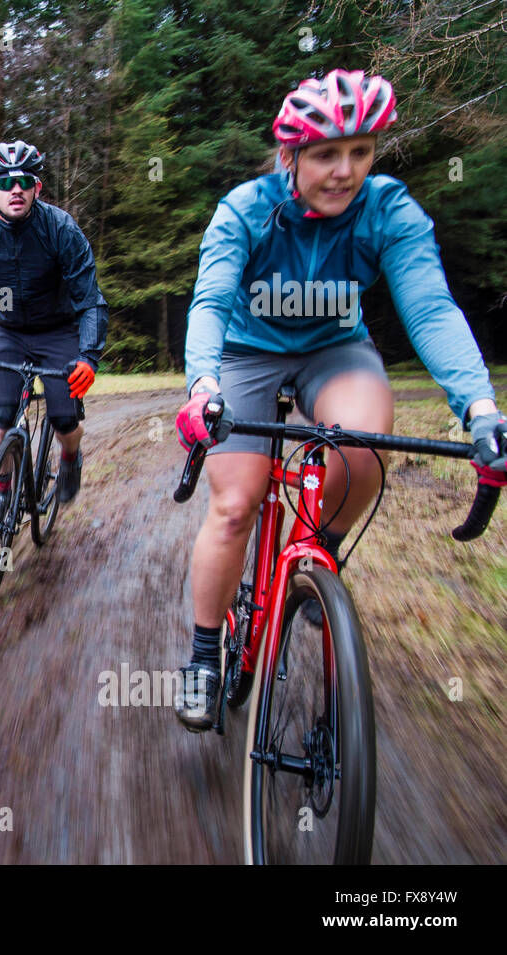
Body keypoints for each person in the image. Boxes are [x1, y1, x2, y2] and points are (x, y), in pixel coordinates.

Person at [173, 69, 506, 731]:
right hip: (246, 353)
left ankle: (317, 553)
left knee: (360, 451)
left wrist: (480, 408)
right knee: (235, 506)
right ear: (290, 156)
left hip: (335, 349)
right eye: (327, 154)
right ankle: (204, 655)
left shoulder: (388, 209)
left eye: (361, 151)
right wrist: (203, 385)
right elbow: (210, 301)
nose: (346, 171)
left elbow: (430, 308)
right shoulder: (245, 209)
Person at [0, 140, 108, 519]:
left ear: (37, 187)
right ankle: (2, 490)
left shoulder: (60, 229)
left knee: (65, 420)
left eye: (24, 182)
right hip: (11, 333)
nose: (15, 189)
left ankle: (70, 457)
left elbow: (90, 300)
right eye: (5, 183)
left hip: (58, 331)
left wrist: (88, 356)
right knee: (3, 417)